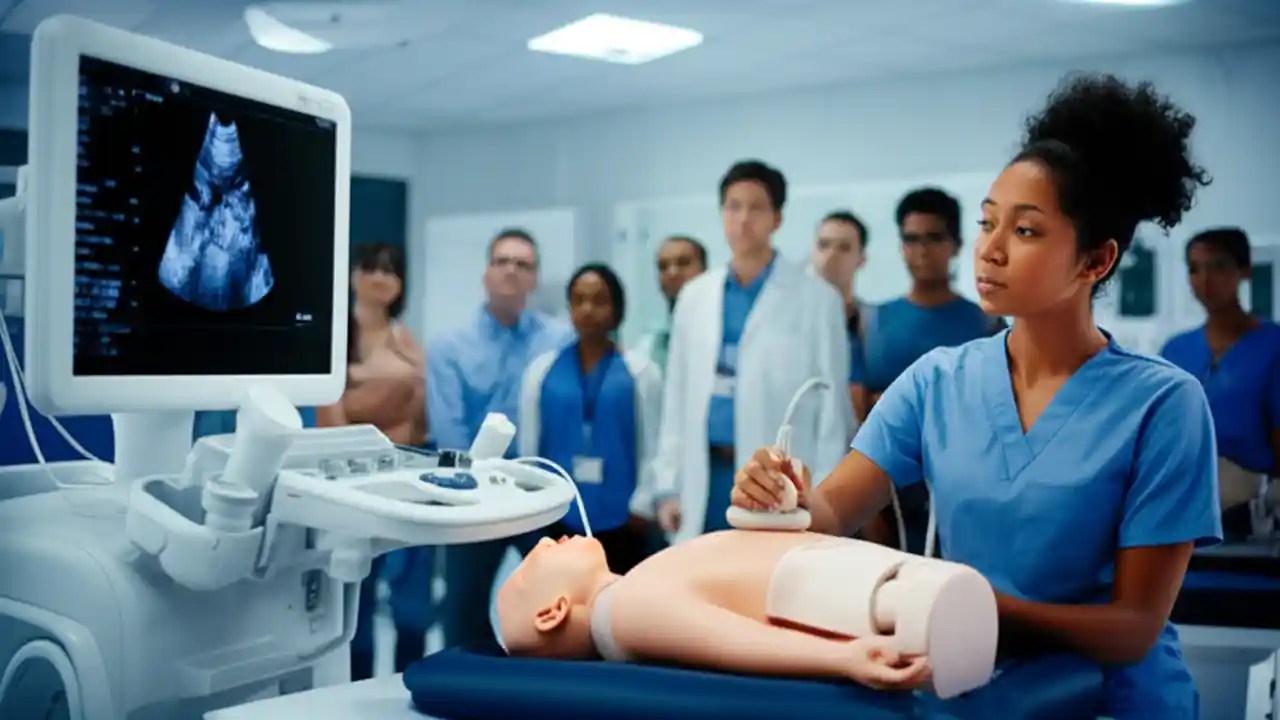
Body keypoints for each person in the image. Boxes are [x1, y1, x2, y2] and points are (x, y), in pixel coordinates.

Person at [731, 73, 1219, 719]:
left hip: (1115, 702)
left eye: (1026, 231)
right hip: (973, 684)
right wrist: (785, 499)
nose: (990, 249)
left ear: (1094, 261)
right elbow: (831, 511)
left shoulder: (1163, 404)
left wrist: (963, 605)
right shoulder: (936, 381)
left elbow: (1131, 629)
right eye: (989, 222)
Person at [653, 160, 853, 544]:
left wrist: (825, 497)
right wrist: (668, 485)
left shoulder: (817, 300)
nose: (743, 219)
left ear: (777, 218)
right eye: (733, 206)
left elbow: (833, 410)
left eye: (756, 207)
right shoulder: (694, 296)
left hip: (778, 483)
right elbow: (676, 399)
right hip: (705, 474)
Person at [494, 531, 930, 691]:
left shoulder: (636, 588)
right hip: (890, 602)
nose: (544, 542)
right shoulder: (622, 610)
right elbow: (734, 640)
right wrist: (843, 657)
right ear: (552, 612)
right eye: (532, 565)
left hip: (878, 588)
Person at [429, 228, 575, 648]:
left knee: (561, 602)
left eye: (522, 264)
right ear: (486, 273)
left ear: (535, 278)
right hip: (475, 501)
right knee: (463, 611)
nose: (511, 270)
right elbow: (450, 433)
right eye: (502, 261)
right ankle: (466, 682)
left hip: (537, 495)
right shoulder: (449, 346)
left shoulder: (560, 341)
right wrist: (470, 493)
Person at [858, 189, 1005, 552]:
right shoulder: (872, 323)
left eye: (934, 238)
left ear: (956, 245)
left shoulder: (986, 325)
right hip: (884, 494)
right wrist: (868, 507)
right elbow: (858, 415)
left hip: (966, 495)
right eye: (912, 239)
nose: (922, 250)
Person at [316, 242, 430, 680]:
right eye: (372, 269)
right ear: (353, 275)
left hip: (405, 478)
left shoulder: (405, 339)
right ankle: (355, 689)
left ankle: (411, 688)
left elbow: (418, 415)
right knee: (356, 602)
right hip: (352, 484)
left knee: (411, 602)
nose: (381, 278)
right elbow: (333, 417)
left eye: (391, 271)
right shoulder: (335, 337)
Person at [519, 264, 663, 573]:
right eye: (579, 300)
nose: (588, 309)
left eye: (599, 300)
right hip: (557, 516)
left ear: (617, 309)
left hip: (624, 518)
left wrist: (643, 503)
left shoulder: (641, 372)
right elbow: (530, 445)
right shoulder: (541, 371)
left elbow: (653, 443)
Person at [1161, 227, 1280, 540]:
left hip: (1254, 512)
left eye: (1217, 266)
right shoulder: (1175, 350)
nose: (1205, 279)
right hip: (1183, 509)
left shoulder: (1273, 345)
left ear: (1244, 271)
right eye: (1194, 268)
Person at [810, 210, 873, 422]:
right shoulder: (788, 325)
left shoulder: (875, 327)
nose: (831, 255)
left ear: (862, 259)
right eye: (823, 245)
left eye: (844, 248)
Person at [634, 235, 708, 373]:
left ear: (705, 270)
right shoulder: (650, 346)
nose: (672, 273)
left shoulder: (727, 332)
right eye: (663, 267)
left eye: (683, 263)